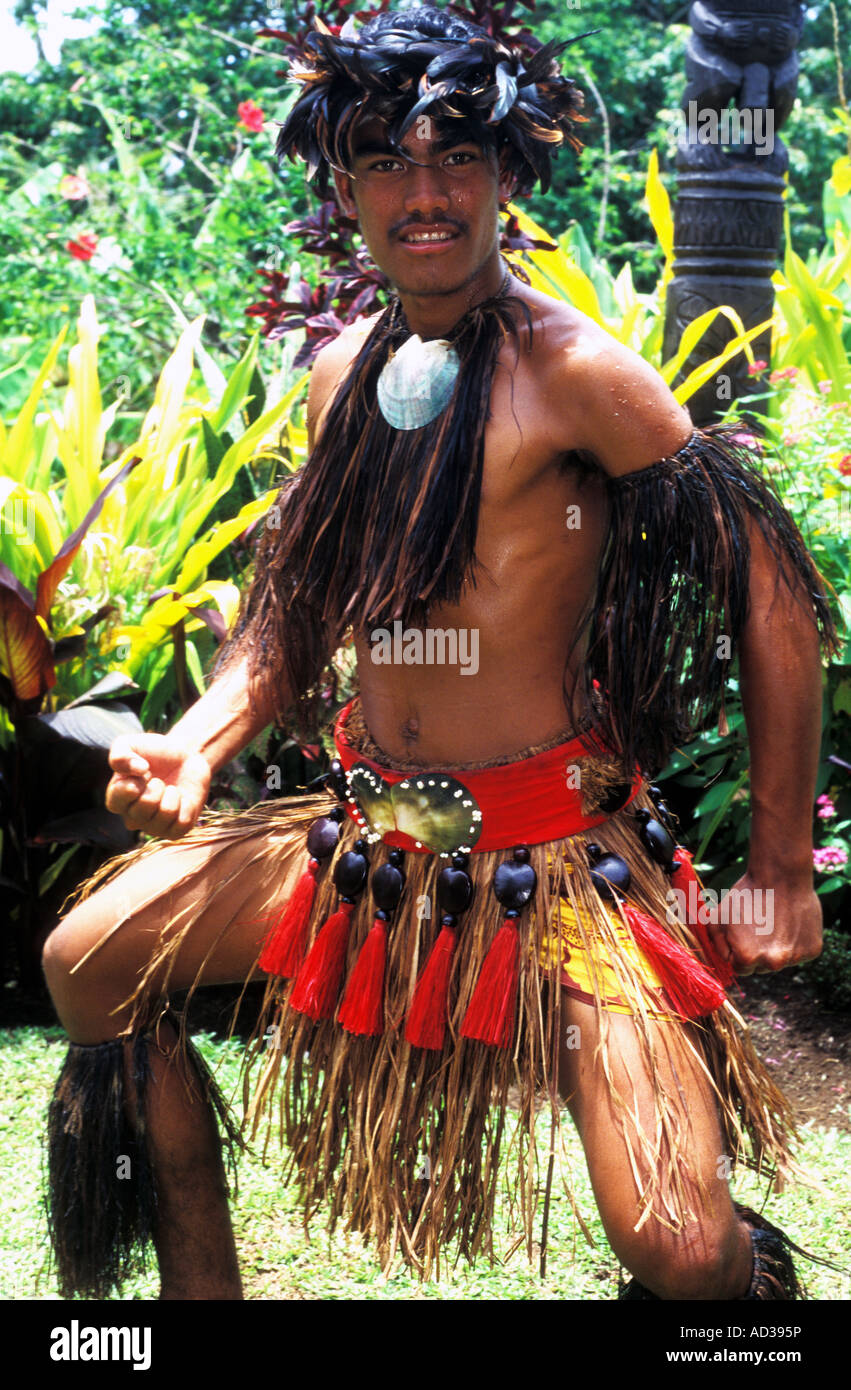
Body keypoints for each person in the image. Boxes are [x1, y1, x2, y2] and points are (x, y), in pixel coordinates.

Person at [42, 6, 837, 1302]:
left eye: (457, 158)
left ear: (507, 178)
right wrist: (197, 742)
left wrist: (782, 866)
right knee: (90, 960)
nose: (425, 193)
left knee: (684, 1251)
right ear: (343, 186)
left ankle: (750, 1293)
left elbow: (775, 597)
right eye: (388, 162)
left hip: (553, 874)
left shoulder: (581, 374)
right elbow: (302, 598)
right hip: (370, 846)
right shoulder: (341, 373)